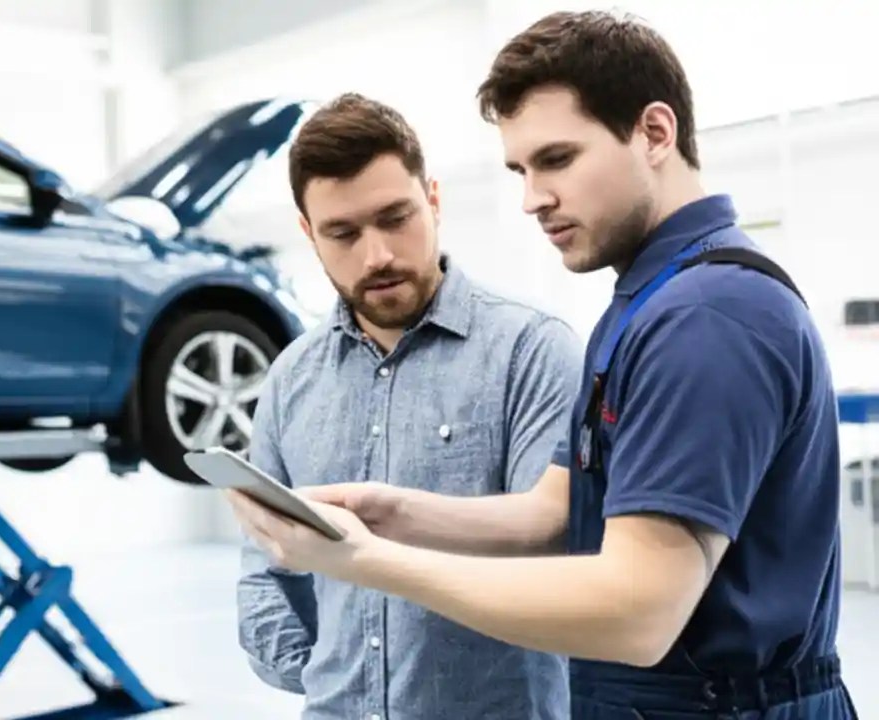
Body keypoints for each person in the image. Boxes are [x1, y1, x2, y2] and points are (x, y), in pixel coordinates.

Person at [225, 11, 860, 720]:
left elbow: (637, 614)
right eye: (521, 170)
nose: (533, 199)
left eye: (557, 160)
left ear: (655, 132)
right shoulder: (644, 305)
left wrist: (366, 563)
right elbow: (552, 513)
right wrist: (389, 511)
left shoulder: (705, 317)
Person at [235, 92, 583, 719]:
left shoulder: (531, 351)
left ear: (434, 200)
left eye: (396, 218)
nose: (377, 256)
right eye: (342, 233)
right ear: (308, 234)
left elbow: (553, 558)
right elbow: (264, 571)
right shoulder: (290, 379)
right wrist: (326, 678)